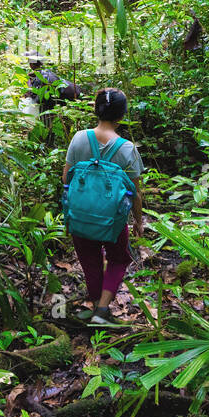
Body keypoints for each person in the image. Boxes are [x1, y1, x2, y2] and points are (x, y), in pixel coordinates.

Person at [63, 88, 145, 325]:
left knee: (90, 260)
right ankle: (102, 309)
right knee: (119, 258)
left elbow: (66, 178)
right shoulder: (127, 148)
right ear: (122, 115)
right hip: (113, 220)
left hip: (80, 216)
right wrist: (138, 221)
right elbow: (135, 192)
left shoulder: (79, 138)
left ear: (95, 110)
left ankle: (97, 304)